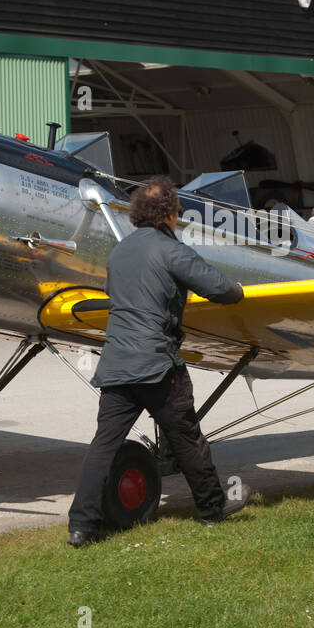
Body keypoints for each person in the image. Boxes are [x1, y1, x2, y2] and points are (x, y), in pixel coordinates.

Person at [67, 177, 247, 547]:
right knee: (186, 437)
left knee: (104, 445)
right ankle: (212, 509)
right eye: (177, 209)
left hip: (116, 363)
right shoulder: (170, 249)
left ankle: (81, 527)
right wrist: (238, 289)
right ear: (168, 212)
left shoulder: (120, 251)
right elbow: (220, 289)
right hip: (156, 364)